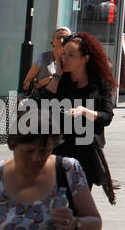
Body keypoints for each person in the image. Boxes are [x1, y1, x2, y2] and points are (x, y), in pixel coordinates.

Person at [0, 104, 103, 230]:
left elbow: (95, 224)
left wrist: (74, 223)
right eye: (28, 151)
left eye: (44, 150)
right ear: (13, 145)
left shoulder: (67, 170)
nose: (36, 158)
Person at [40, 32, 116, 202]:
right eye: (64, 54)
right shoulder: (60, 80)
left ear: (85, 59)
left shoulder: (99, 83)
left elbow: (107, 117)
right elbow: (44, 103)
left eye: (71, 55)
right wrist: (57, 75)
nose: (65, 58)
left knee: (78, 204)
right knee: (56, 201)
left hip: (85, 153)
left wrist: (85, 112)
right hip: (58, 149)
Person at [22, 27, 69, 92]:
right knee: (12, 97)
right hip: (41, 100)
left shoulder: (71, 61)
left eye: (65, 38)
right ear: (52, 41)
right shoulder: (43, 57)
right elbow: (25, 85)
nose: (61, 40)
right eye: (58, 37)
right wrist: (44, 81)